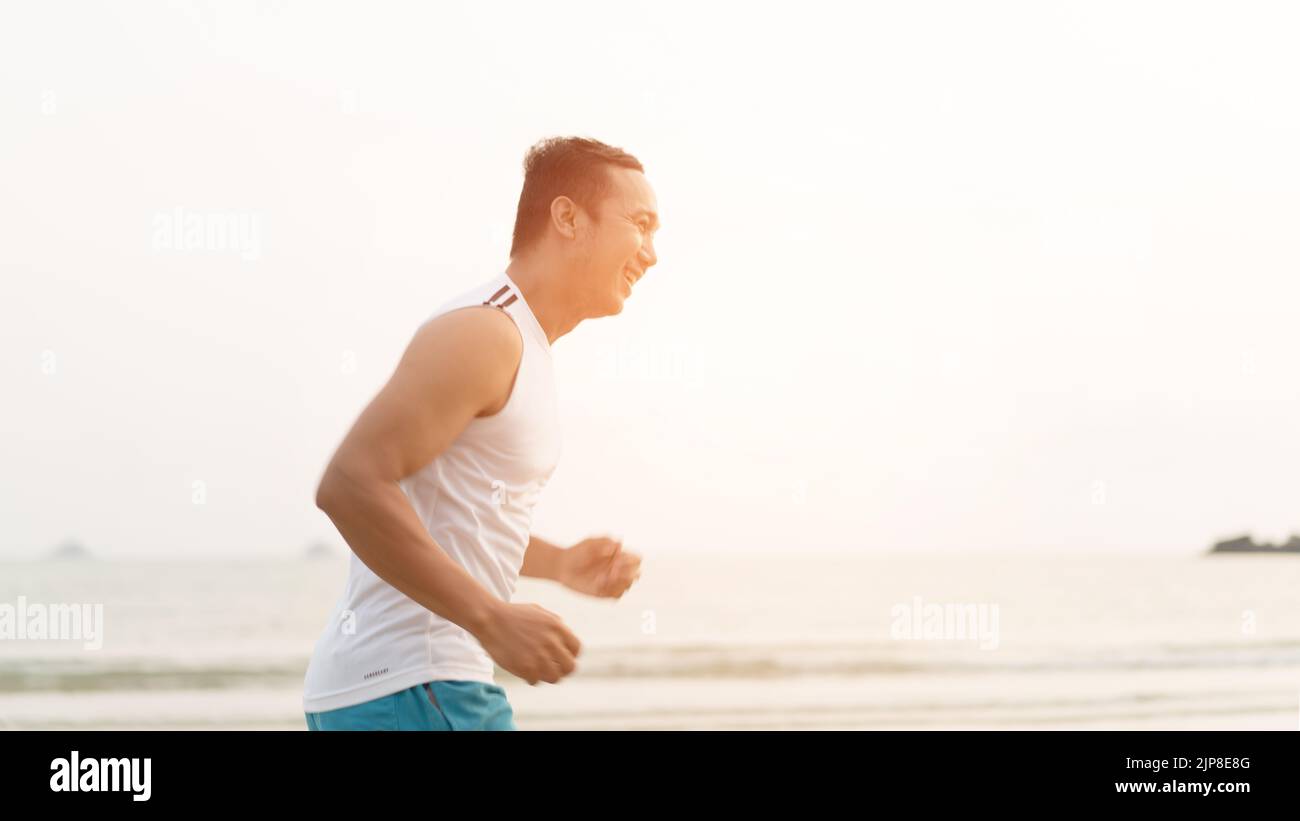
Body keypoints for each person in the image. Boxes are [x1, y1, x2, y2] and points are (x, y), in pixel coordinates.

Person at [302, 136, 658, 730]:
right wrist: (492, 619)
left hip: (406, 690)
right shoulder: (486, 334)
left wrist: (560, 564)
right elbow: (350, 486)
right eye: (640, 225)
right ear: (568, 217)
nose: (650, 253)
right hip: (414, 688)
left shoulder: (524, 345)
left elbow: (456, 515)